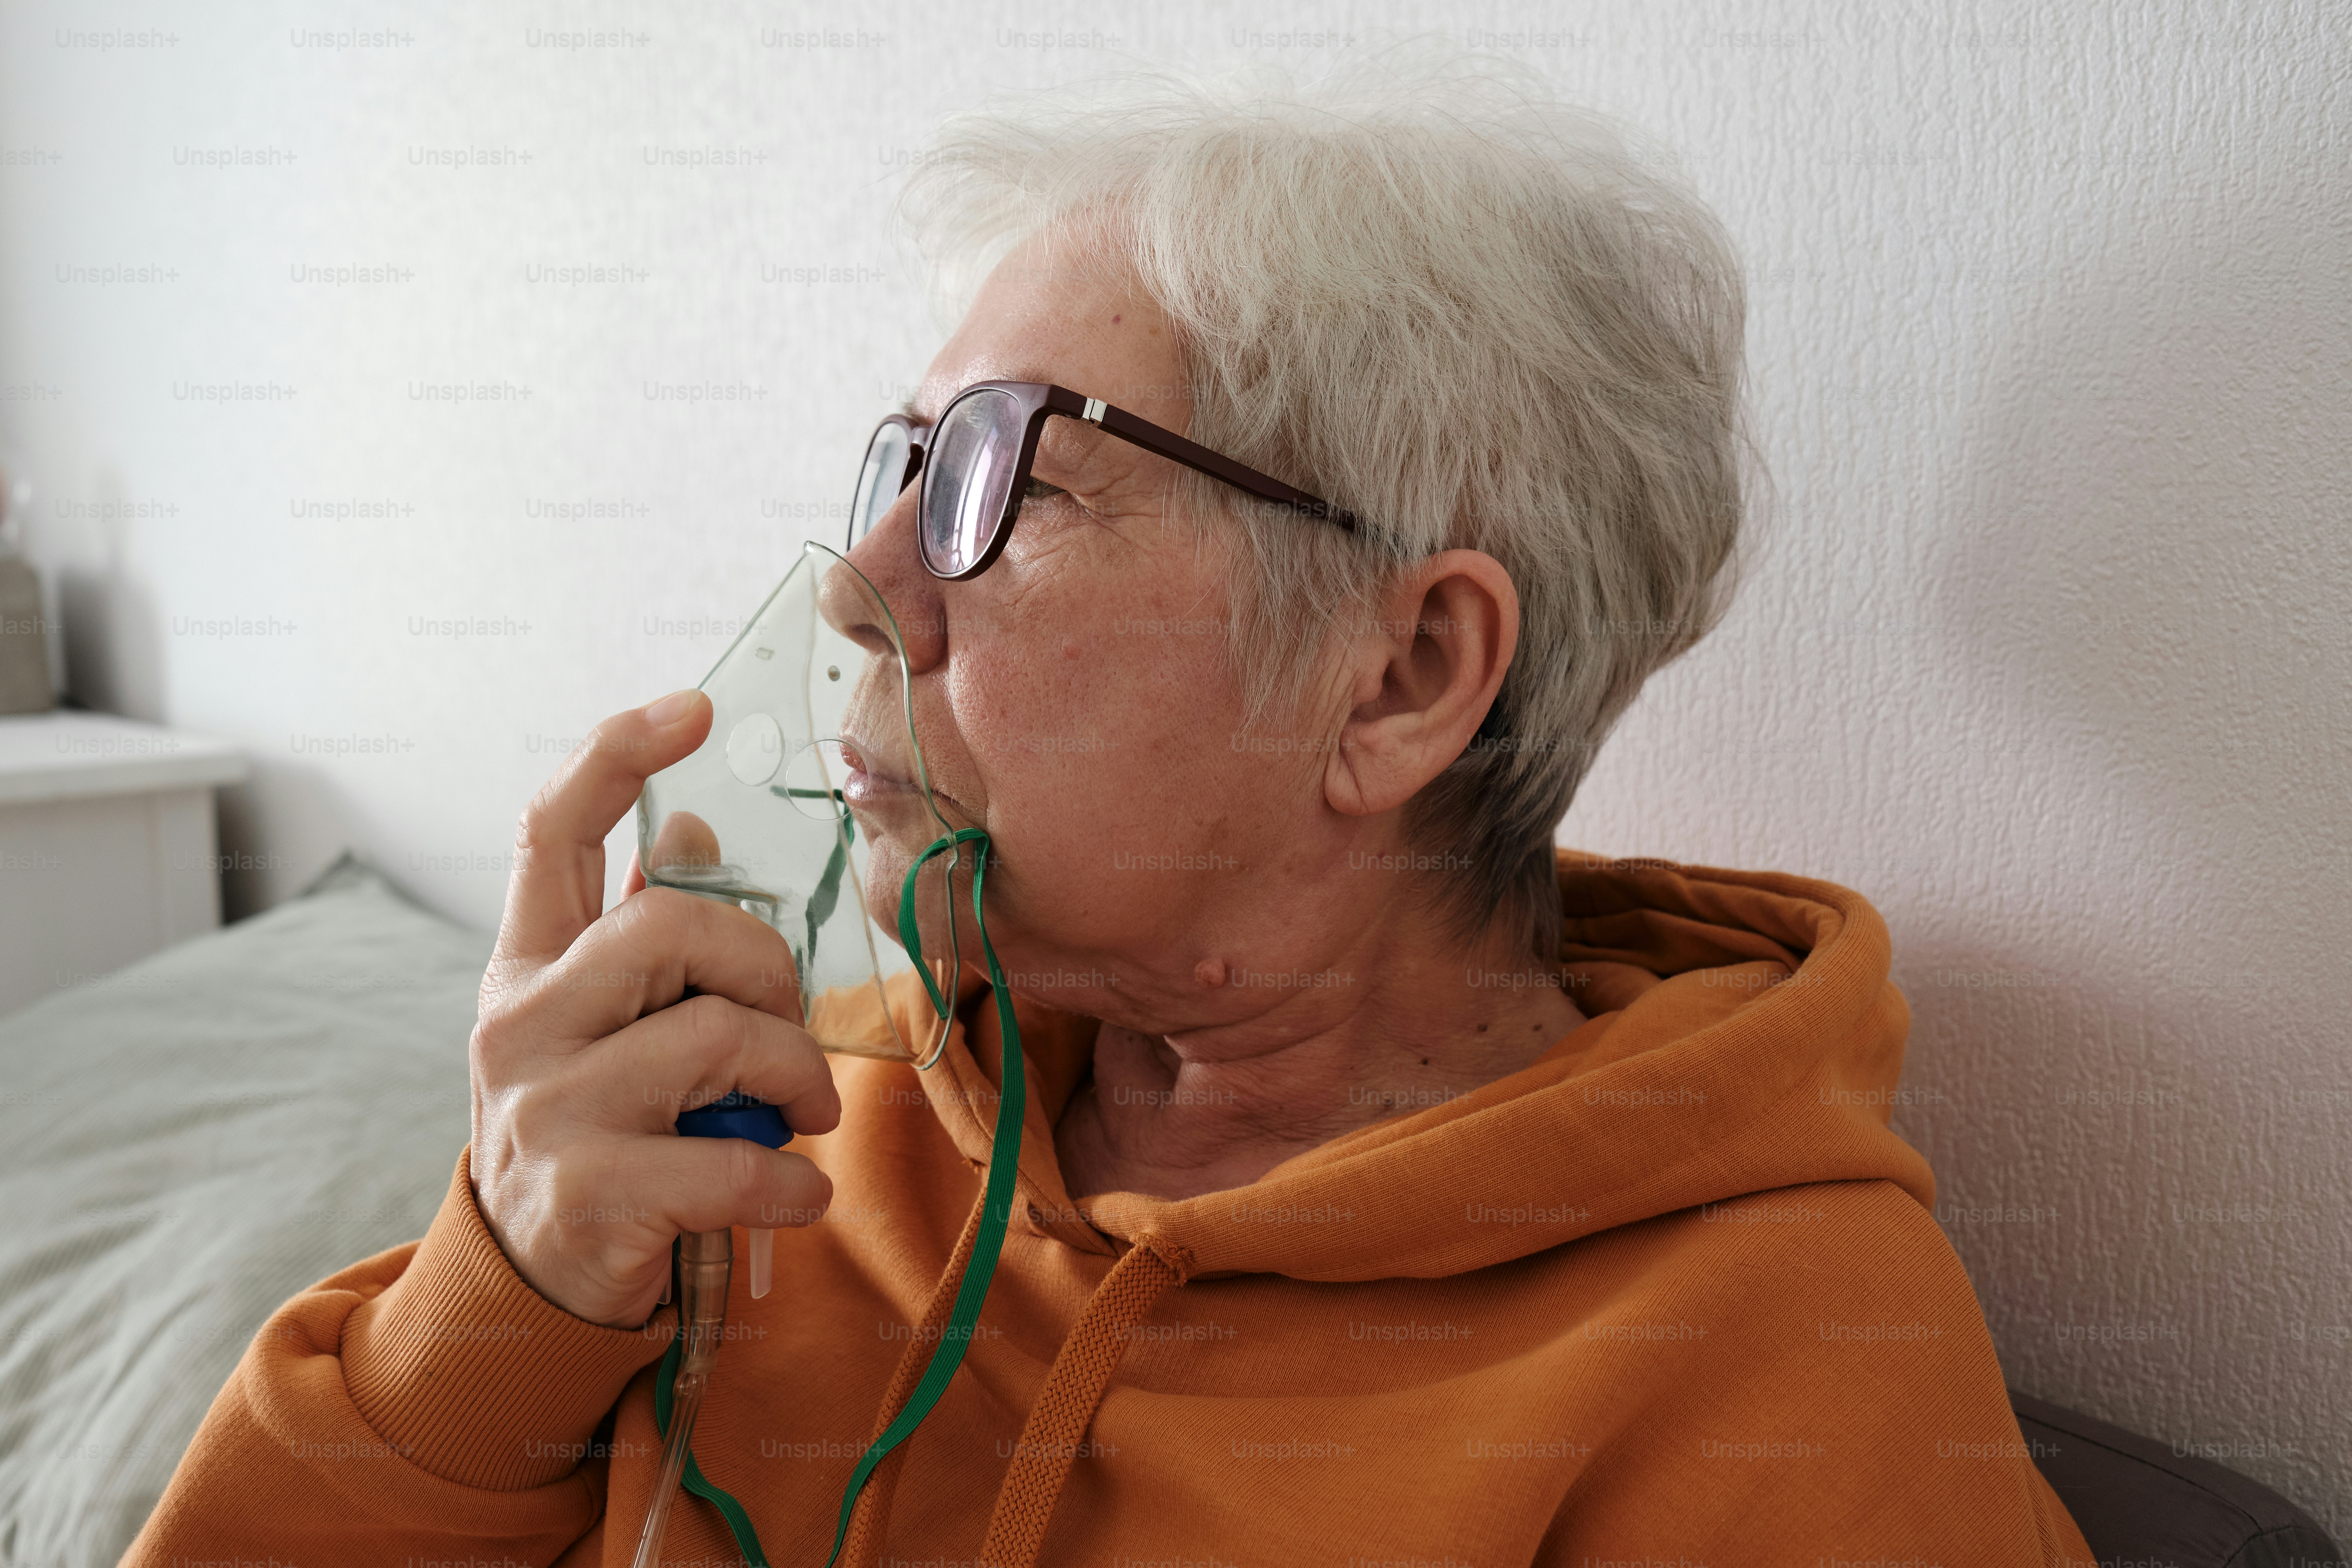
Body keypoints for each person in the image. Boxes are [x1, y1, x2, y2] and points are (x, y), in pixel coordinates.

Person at [125, 52, 2093, 1567]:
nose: (858, 580)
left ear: (1400, 676)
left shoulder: (1785, 1360)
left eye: (999, 477)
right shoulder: (774, 1123)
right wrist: (503, 1298)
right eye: (898, 456)